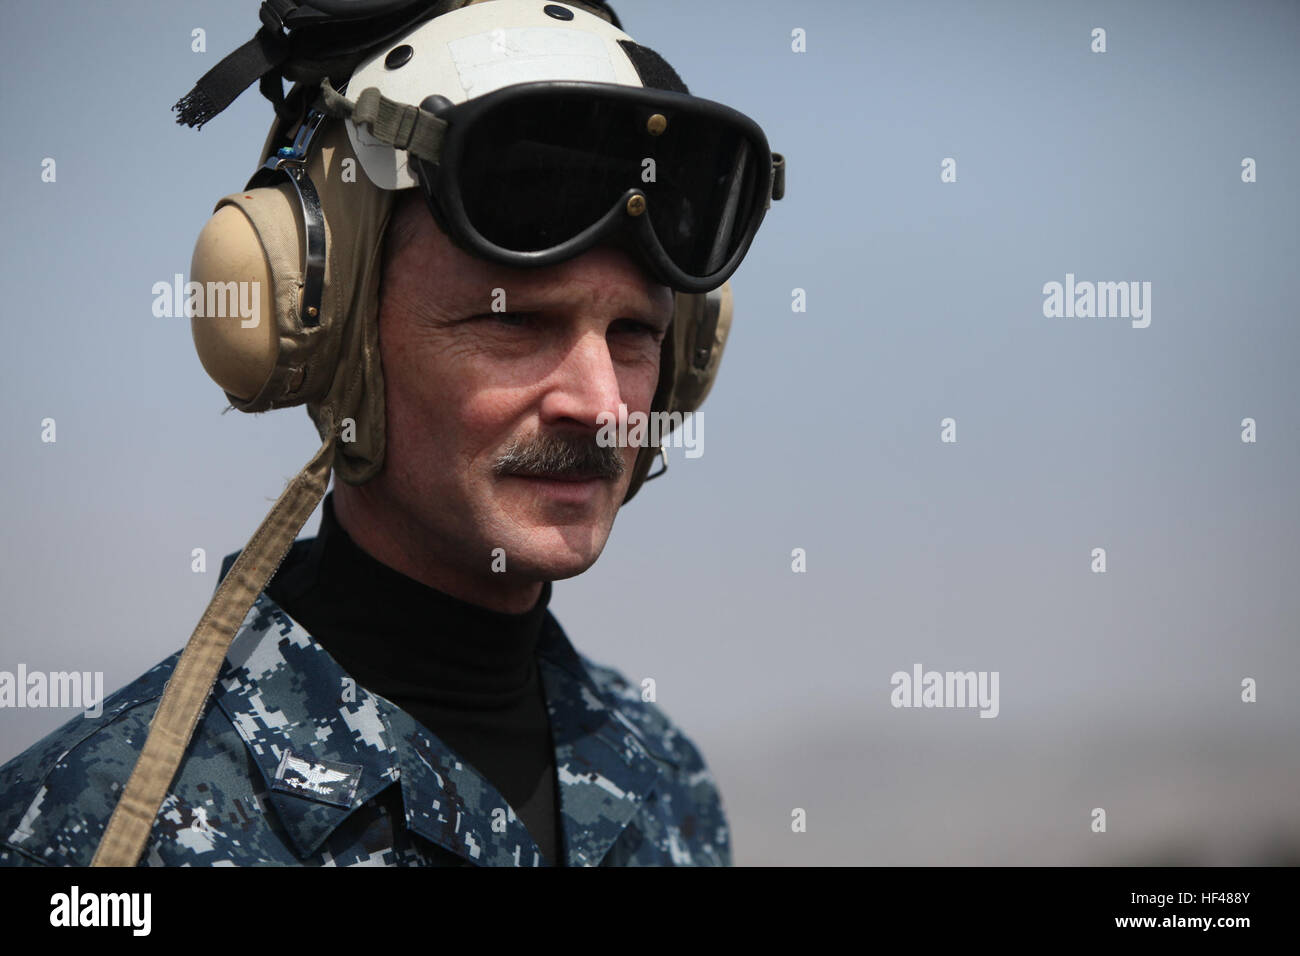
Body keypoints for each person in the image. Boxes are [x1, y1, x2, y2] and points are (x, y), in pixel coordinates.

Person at [0, 0, 783, 867]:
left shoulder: (666, 783)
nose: (601, 404)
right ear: (330, 333)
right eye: (516, 324)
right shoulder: (98, 827)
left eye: (634, 334)